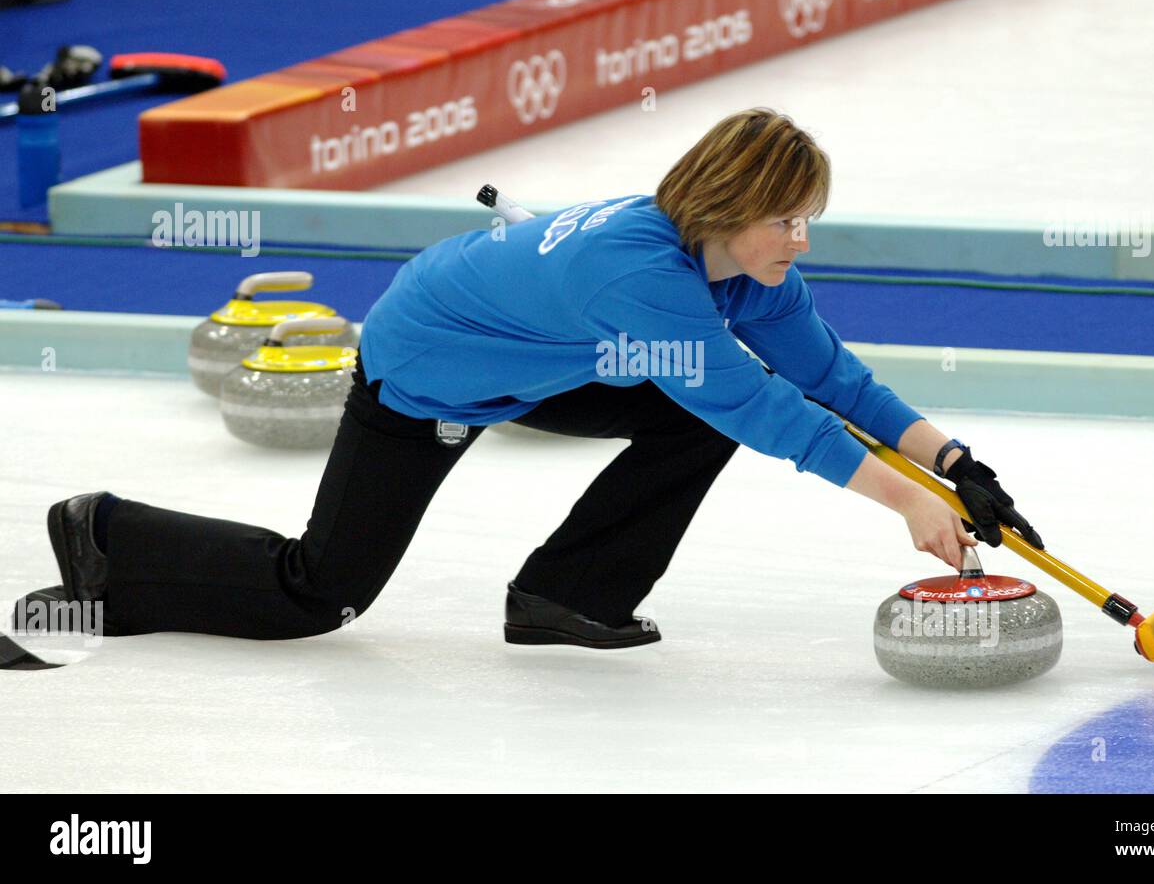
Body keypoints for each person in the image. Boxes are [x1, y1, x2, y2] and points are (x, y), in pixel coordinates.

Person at [33, 108, 1042, 650]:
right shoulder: (644, 277)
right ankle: (105, 531)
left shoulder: (754, 270)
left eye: (805, 214)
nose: (801, 235)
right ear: (730, 206)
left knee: (698, 417)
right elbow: (768, 408)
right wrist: (909, 501)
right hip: (428, 367)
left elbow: (827, 377)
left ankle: (566, 597)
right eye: (786, 216)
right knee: (320, 593)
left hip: (546, 357)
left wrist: (956, 460)